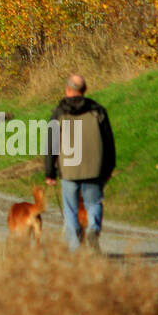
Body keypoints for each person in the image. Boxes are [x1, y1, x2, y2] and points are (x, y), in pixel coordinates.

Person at [44, 73, 116, 253]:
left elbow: (50, 145)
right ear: (84, 90)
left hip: (68, 170)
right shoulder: (98, 111)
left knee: (70, 209)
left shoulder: (58, 112)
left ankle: (75, 249)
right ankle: (93, 229)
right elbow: (109, 143)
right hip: (94, 168)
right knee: (94, 203)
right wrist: (109, 168)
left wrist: (49, 172)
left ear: (67, 90)